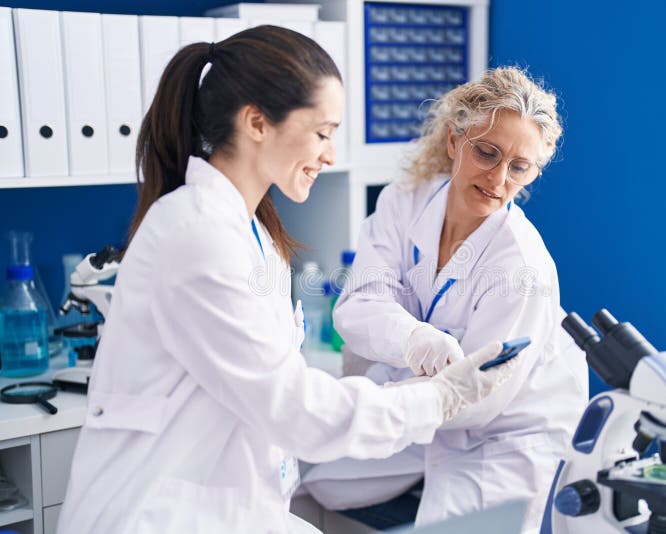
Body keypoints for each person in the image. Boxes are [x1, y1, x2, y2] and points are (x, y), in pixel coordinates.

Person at [56, 26, 519, 534]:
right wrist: (438, 397)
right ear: (256, 122)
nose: (331, 155)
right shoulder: (196, 234)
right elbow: (296, 410)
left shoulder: (249, 232)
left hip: (219, 504)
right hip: (152, 512)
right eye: (322, 132)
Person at [313, 67, 588, 531]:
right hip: (423, 406)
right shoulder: (405, 202)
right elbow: (359, 305)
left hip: (504, 436)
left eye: (519, 167)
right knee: (321, 480)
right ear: (454, 141)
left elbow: (481, 401)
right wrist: (414, 339)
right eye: (487, 152)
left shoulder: (521, 265)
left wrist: (387, 400)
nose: (499, 178)